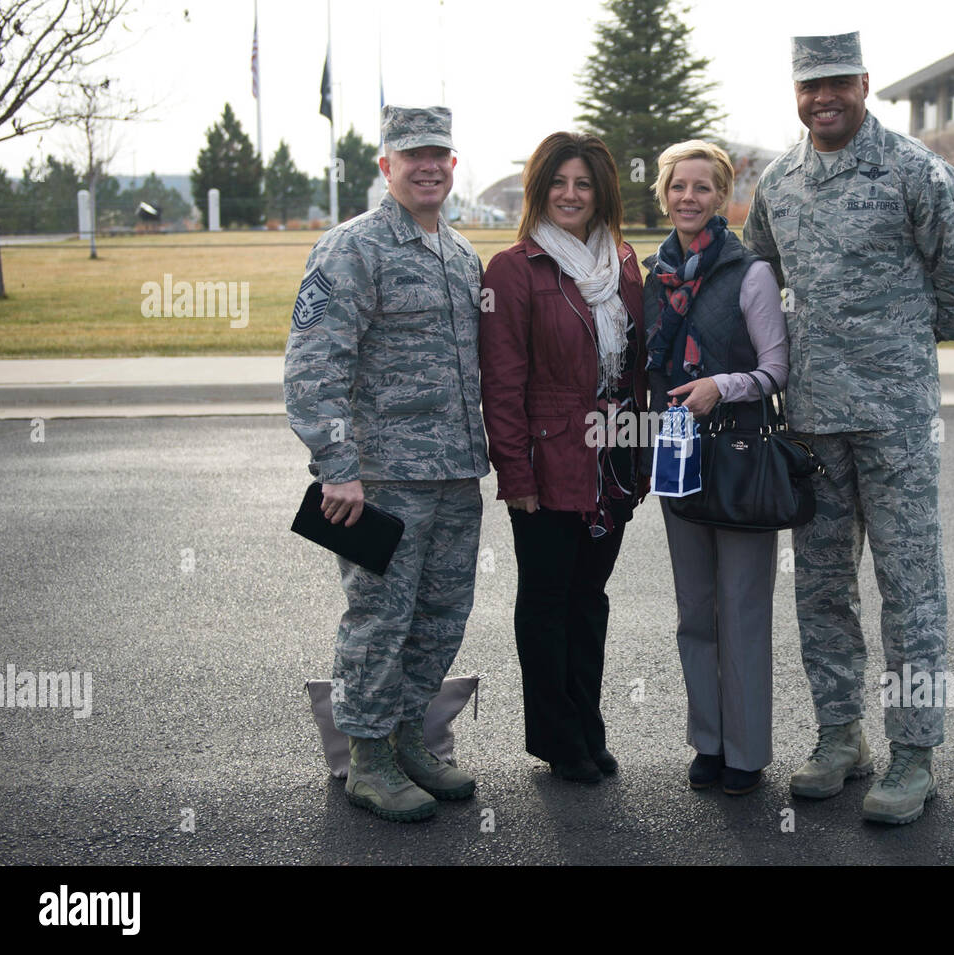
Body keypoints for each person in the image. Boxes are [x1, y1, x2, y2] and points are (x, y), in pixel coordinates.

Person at [743, 31, 954, 824]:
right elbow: (757, 278)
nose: (825, 99)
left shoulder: (914, 171)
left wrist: (906, 350)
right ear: (796, 93)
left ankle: (913, 753)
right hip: (812, 424)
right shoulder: (778, 184)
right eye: (811, 87)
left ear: (863, 83)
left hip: (894, 423)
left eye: (837, 84)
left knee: (910, 587)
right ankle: (839, 734)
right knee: (820, 587)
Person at [284, 105, 488, 823]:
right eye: (412, 156)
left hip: (458, 476)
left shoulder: (460, 254)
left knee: (441, 616)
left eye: (439, 154)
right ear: (386, 168)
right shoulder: (352, 248)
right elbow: (314, 363)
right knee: (377, 618)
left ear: (453, 164)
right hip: (380, 481)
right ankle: (367, 758)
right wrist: (335, 465)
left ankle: (410, 740)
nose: (427, 166)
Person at [479, 132, 647, 784]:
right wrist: (515, 472)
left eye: (583, 183)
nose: (571, 194)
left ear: (600, 192)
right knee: (547, 602)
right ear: (539, 190)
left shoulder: (624, 263)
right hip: (548, 464)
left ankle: (588, 725)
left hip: (613, 461)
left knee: (590, 598)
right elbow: (503, 381)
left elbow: (637, 369)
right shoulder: (514, 269)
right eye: (559, 183)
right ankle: (557, 737)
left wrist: (641, 456)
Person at [644, 141, 788, 796]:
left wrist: (720, 386)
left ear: (725, 196)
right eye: (679, 187)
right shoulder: (655, 274)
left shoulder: (749, 272)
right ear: (665, 193)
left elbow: (775, 370)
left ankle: (746, 750)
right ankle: (708, 739)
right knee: (695, 610)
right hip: (677, 456)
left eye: (704, 187)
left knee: (742, 607)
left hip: (739, 456)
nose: (689, 198)